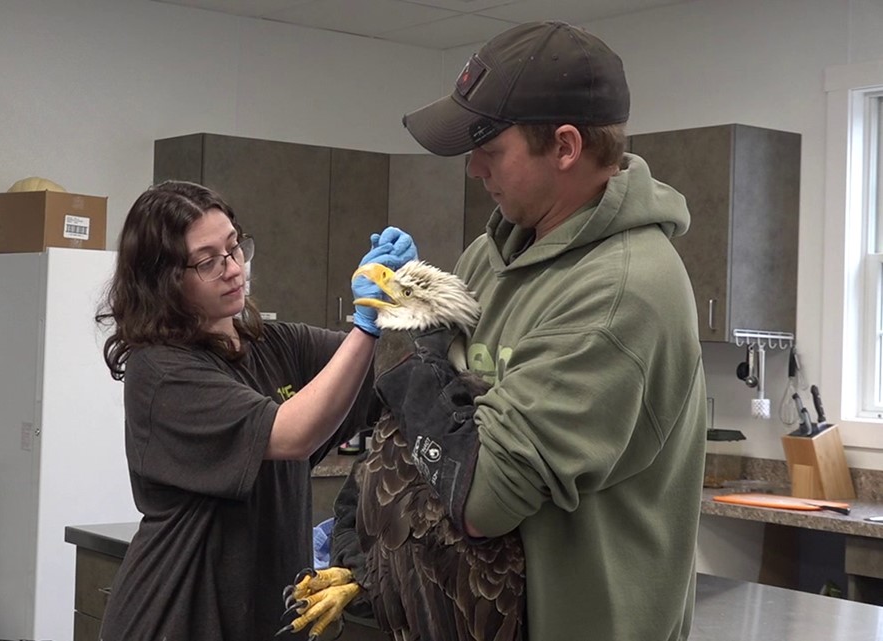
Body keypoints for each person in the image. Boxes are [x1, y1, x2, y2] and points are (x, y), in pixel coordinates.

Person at [375, 21, 708, 640]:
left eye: (490, 149)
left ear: (564, 146)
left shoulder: (623, 292)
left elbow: (482, 499)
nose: (473, 169)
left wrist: (406, 356)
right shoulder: (490, 255)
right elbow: (418, 436)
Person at [95, 180, 417, 640]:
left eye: (234, 248)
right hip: (179, 617)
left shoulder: (276, 344)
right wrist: (366, 326)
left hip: (269, 614)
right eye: (208, 261)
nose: (233, 270)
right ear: (164, 281)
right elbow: (291, 433)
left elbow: (387, 376)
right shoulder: (163, 372)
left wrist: (409, 301)